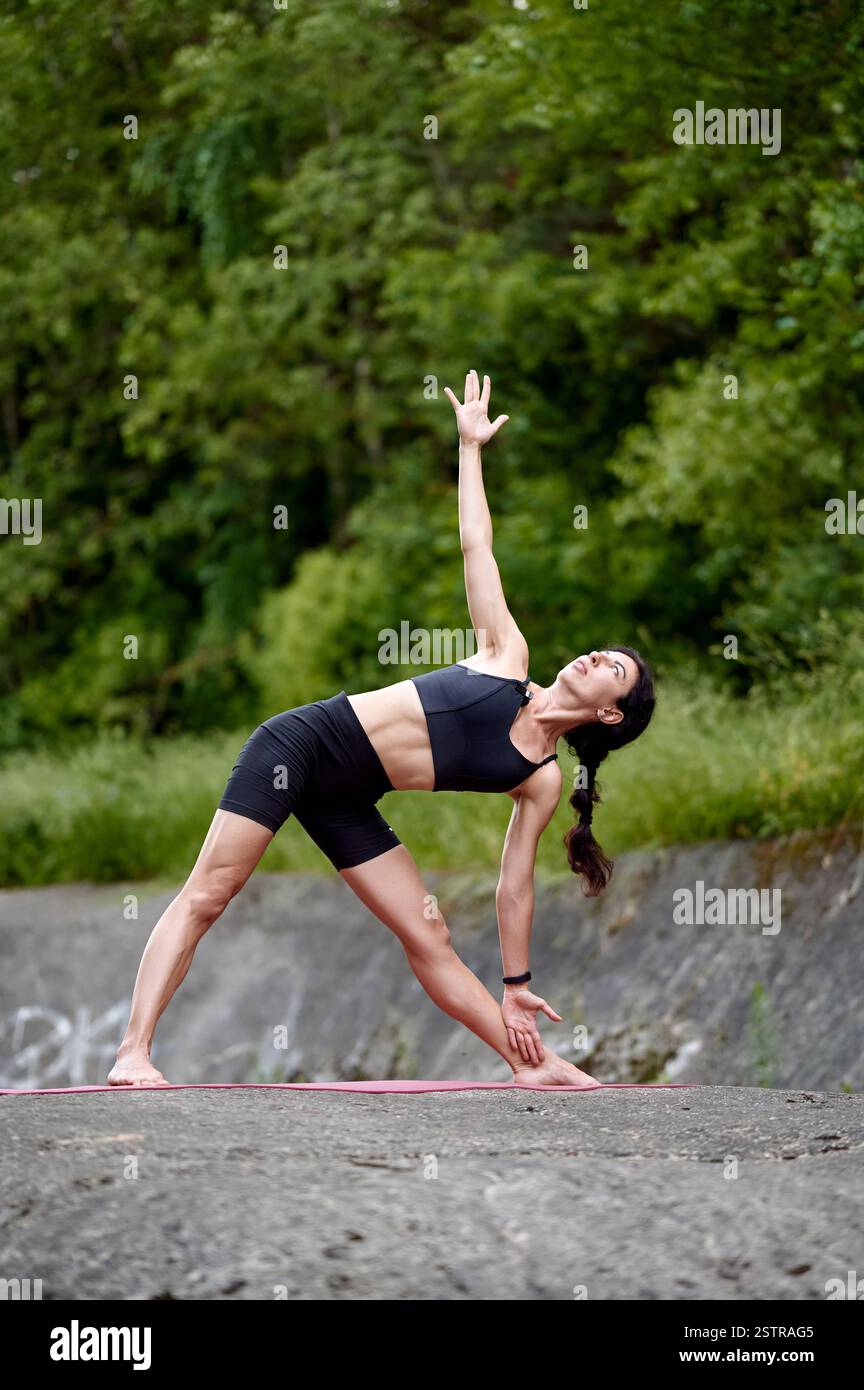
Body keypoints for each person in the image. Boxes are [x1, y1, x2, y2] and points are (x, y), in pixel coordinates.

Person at [108, 371, 655, 1090]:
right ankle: (133, 1053)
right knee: (209, 893)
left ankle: (534, 1066)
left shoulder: (541, 778)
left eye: (612, 668)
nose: (594, 656)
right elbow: (475, 546)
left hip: (349, 797)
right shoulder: (505, 658)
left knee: (428, 934)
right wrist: (469, 449)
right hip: (297, 748)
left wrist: (517, 982)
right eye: (602, 651)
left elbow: (513, 888)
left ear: (610, 713)